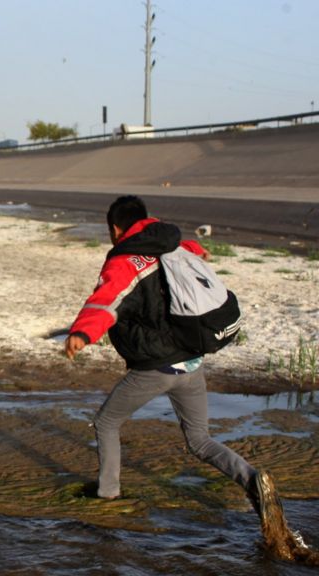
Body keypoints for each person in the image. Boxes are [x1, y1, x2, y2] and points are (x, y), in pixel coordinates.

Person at [63, 195, 277, 516]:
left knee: (106, 422)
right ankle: (252, 479)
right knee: (200, 440)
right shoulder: (174, 245)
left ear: (116, 229)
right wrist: (199, 249)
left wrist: (82, 333)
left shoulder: (125, 262)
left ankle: (108, 493)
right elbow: (192, 250)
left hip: (156, 368)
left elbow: (108, 299)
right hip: (192, 362)